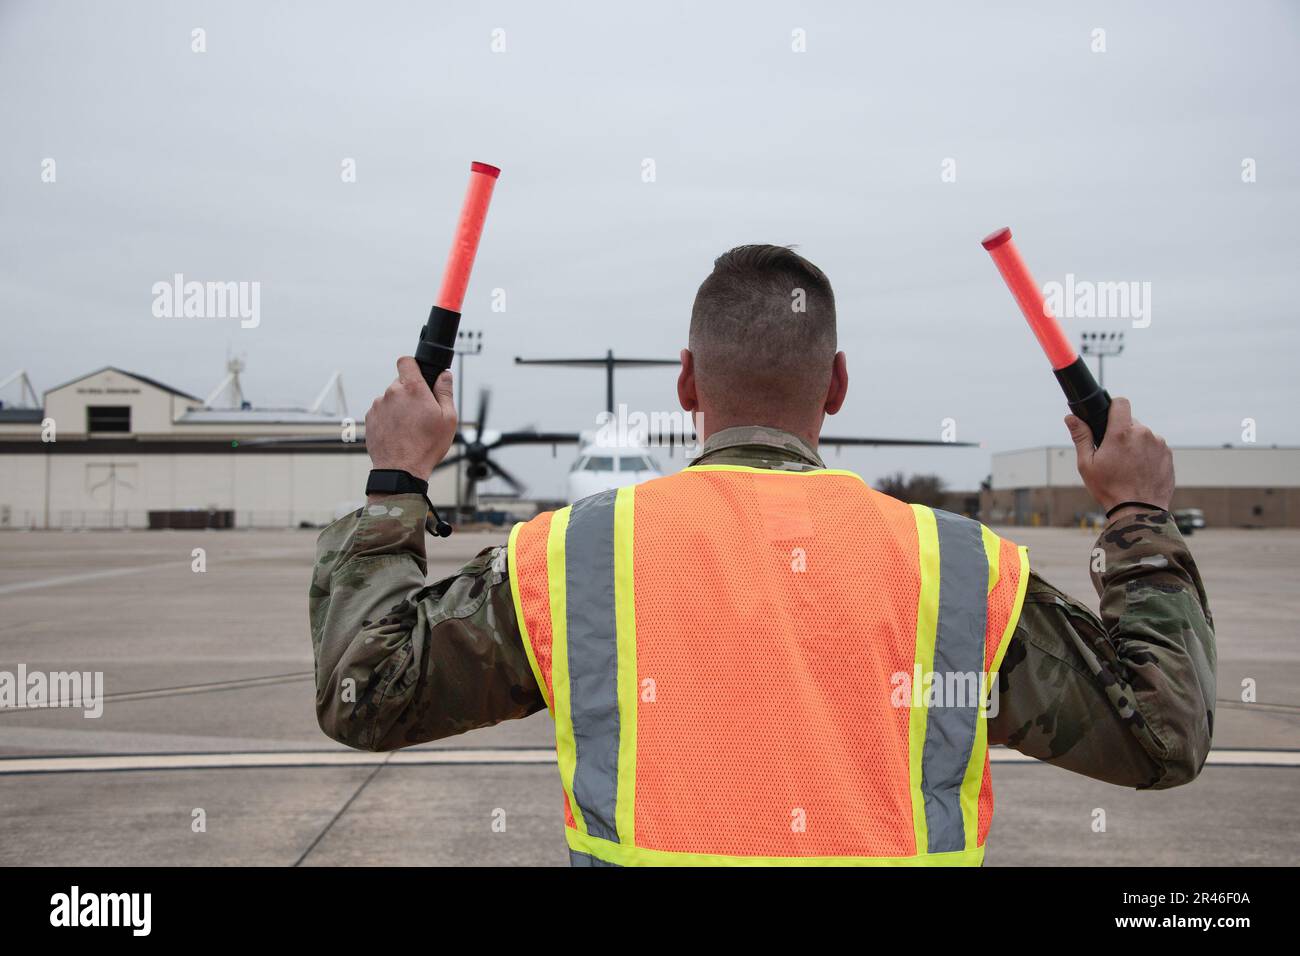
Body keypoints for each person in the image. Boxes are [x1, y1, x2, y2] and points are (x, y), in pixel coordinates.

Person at [309, 244, 1215, 866]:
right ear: (840, 384)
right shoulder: (959, 570)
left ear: (687, 382)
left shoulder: (573, 556)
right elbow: (1162, 735)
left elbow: (366, 694)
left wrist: (397, 479)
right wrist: (1138, 514)